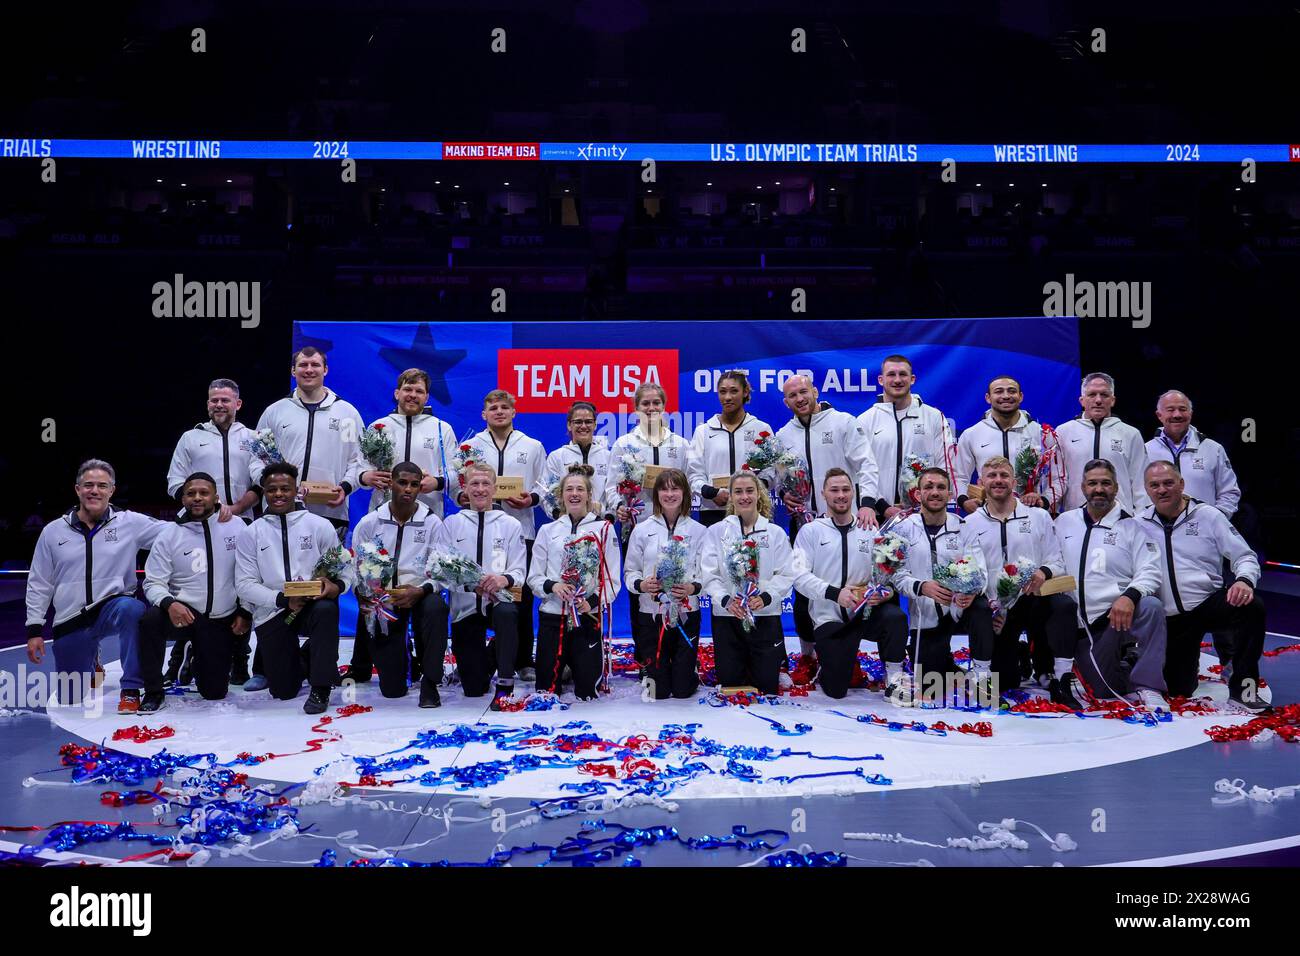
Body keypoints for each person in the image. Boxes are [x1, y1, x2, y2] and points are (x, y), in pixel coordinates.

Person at [25, 459, 169, 714]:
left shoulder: (129, 523)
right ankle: (92, 660)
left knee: (133, 609)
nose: (95, 491)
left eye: (102, 485)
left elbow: (173, 533)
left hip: (112, 607)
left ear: (112, 491)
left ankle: (131, 689)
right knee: (71, 697)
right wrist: (34, 629)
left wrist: (210, 513)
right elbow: (40, 581)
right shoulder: (53, 531)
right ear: (77, 489)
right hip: (71, 618)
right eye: (88, 485)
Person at [775, 374, 879, 684]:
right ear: (786, 402)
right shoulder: (783, 435)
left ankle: (848, 653)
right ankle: (808, 655)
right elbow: (780, 478)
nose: (800, 398)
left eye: (803, 391)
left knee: (854, 586)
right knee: (804, 594)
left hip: (849, 520)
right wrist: (785, 495)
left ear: (815, 391)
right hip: (807, 526)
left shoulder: (843, 422)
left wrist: (868, 503)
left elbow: (866, 464)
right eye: (792, 395)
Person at [1138, 461, 1267, 711]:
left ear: (1182, 484)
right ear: (1147, 489)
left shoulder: (1208, 516)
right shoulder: (1138, 522)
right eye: (1154, 485)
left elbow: (1245, 556)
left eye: (1168, 483)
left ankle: (1244, 690)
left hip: (1208, 603)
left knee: (1252, 607)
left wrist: (1244, 580)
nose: (1162, 490)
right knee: (1178, 689)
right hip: (1171, 618)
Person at [164, 378, 262, 688]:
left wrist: (234, 508)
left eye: (225, 400)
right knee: (195, 584)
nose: (219, 405)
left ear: (238, 404)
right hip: (195, 526)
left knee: (239, 587)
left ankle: (240, 659)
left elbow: (261, 483)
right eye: (214, 400)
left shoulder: (253, 438)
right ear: (207, 404)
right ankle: (180, 653)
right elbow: (174, 481)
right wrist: (204, 504)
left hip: (242, 524)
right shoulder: (191, 438)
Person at [234, 462, 349, 715]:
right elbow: (244, 585)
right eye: (272, 489)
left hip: (312, 606)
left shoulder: (319, 525)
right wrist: (283, 600)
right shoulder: (251, 533)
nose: (278, 494)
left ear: (296, 489)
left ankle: (320, 687)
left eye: (285, 488)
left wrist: (336, 585)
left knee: (327, 609)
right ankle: (311, 657)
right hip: (275, 611)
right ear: (263, 491)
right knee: (283, 691)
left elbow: (345, 570)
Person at [1054, 459, 1168, 711]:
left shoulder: (1134, 526)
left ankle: (1149, 686)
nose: (1099, 489)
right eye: (1092, 483)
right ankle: (1129, 660)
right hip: (1082, 627)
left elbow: (1150, 569)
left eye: (1106, 483)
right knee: (1103, 689)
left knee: (1150, 605)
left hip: (1117, 617)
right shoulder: (1064, 522)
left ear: (1116, 488)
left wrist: (1129, 597)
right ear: (1082, 487)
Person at [966, 457, 1080, 705]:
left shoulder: (1038, 516)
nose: (998, 480)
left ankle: (1061, 680)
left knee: (1065, 606)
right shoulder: (970, 523)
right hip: (997, 610)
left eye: (1004, 475)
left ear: (1014, 481)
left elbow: (1057, 561)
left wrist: (1044, 573)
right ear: (981, 482)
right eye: (992, 475)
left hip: (1033, 600)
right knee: (1006, 680)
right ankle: (1019, 653)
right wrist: (991, 607)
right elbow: (969, 572)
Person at [793, 468, 909, 700]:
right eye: (834, 490)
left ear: (853, 494)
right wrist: (835, 594)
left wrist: (884, 593)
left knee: (895, 617)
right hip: (830, 618)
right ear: (823, 494)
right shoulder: (810, 531)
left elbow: (887, 576)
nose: (841, 495)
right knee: (836, 690)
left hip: (865, 614)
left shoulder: (870, 529)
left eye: (846, 489)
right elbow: (798, 576)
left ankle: (894, 680)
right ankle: (830, 661)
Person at [141, 473, 251, 709]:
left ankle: (193, 656)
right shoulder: (169, 535)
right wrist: (169, 603)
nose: (197, 498)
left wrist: (245, 610)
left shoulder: (236, 526)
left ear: (216, 497)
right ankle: (152, 691)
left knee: (214, 693)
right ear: (182, 499)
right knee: (150, 620)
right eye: (191, 494)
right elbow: (152, 582)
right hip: (184, 614)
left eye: (204, 493)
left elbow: (249, 574)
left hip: (221, 617)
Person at [890, 468, 997, 704]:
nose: (935, 492)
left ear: (949, 494)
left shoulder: (964, 526)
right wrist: (921, 587)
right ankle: (948, 665)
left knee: (980, 607)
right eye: (928, 487)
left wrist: (971, 591)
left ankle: (981, 674)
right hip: (926, 616)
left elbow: (980, 570)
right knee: (931, 689)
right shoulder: (904, 529)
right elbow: (896, 575)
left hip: (960, 608)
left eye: (940, 487)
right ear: (917, 494)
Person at [462, 389, 546, 682]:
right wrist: (464, 496)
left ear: (514, 412)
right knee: (475, 589)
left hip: (520, 528)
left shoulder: (532, 445)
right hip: (477, 530)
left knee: (518, 597)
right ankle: (472, 655)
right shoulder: (470, 446)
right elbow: (457, 485)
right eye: (493, 407)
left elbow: (545, 484)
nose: (499, 411)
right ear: (484, 414)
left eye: (504, 407)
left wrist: (531, 499)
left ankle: (522, 659)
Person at [350, 462, 448, 705]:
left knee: (436, 607)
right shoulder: (370, 523)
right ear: (391, 483)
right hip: (385, 602)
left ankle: (430, 682)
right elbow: (354, 568)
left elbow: (442, 573)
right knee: (393, 690)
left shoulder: (432, 523)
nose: (408, 489)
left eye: (414, 484)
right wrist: (363, 592)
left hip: (419, 594)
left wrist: (422, 589)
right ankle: (406, 663)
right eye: (402, 482)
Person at [606, 382, 696, 644]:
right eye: (645, 403)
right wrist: (619, 507)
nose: (651, 408)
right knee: (642, 590)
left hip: (675, 526)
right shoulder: (624, 444)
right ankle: (645, 653)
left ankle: (677, 645)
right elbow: (611, 486)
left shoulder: (679, 444)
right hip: (637, 527)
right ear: (635, 409)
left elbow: (689, 484)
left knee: (678, 585)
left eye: (656, 403)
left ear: (664, 407)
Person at [700, 470, 797, 696]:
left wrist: (764, 598)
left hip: (764, 615)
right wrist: (725, 600)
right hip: (728, 616)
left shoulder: (775, 533)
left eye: (750, 491)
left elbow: (786, 573)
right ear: (731, 497)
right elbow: (708, 573)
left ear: (759, 495)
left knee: (766, 686)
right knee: (732, 686)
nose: (744, 497)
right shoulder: (716, 532)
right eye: (738, 492)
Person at [530, 465, 621, 701]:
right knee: (546, 691)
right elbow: (534, 578)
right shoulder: (547, 530)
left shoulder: (603, 529)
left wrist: (590, 602)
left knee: (587, 693)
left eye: (580, 489)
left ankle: (575, 667)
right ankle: (562, 666)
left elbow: (611, 580)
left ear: (590, 495)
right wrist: (553, 586)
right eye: (569, 489)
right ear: (561, 496)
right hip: (553, 618)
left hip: (587, 618)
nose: (574, 494)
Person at [442, 462, 527, 710]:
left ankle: (505, 683)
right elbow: (441, 572)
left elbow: (519, 570)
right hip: (465, 607)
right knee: (474, 689)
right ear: (465, 489)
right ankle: (486, 659)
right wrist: (471, 585)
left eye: (486, 483)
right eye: (474, 484)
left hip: (498, 602)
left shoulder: (510, 524)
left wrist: (504, 580)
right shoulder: (452, 524)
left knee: (508, 613)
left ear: (495, 488)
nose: (480, 489)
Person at [255, 346, 366, 531]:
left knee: (328, 562)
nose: (308, 370)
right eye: (302, 365)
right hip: (280, 507)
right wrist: (271, 485)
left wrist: (346, 487)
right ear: (293, 371)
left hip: (331, 510)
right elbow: (256, 457)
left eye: (315, 364)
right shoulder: (274, 412)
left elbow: (359, 460)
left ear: (325, 369)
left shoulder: (347, 413)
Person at [624, 467, 706, 699]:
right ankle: (654, 671)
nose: (670, 494)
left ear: (685, 493)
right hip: (651, 614)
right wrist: (642, 585)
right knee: (657, 692)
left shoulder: (699, 531)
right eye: (664, 489)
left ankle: (690, 669)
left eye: (675, 488)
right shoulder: (642, 530)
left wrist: (692, 588)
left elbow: (707, 573)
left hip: (686, 613)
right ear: (657, 494)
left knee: (682, 691)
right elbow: (630, 572)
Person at [856, 355, 956, 520]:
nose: (897, 380)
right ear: (881, 380)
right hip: (879, 515)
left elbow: (945, 466)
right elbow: (860, 471)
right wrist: (883, 506)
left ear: (912, 379)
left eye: (902, 374)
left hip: (925, 513)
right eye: (891, 374)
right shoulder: (865, 420)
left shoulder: (934, 417)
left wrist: (929, 500)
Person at [955, 375, 1065, 515]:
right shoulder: (972, 434)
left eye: (1012, 391)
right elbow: (959, 476)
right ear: (988, 398)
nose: (1006, 396)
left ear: (1021, 396)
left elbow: (1059, 477)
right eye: (999, 391)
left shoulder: (1041, 434)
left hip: (1031, 513)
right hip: (988, 514)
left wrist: (1044, 500)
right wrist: (964, 500)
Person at [357, 368, 458, 518]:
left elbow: (455, 471)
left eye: (419, 391)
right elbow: (360, 466)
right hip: (383, 512)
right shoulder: (378, 427)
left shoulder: (441, 429)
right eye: (407, 389)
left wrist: (437, 482)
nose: (412, 395)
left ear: (427, 397)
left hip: (428, 516)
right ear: (397, 394)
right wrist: (365, 477)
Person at [688, 371, 773, 528]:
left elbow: (770, 472)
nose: (727, 397)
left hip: (753, 509)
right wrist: (712, 493)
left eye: (734, 391)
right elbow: (693, 475)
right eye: (722, 392)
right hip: (713, 511)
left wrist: (749, 492)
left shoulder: (761, 429)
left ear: (745, 392)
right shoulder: (703, 431)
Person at [1056, 373, 1150, 513]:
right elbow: (1056, 479)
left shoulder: (1131, 434)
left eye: (1104, 395)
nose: (1098, 400)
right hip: (1075, 519)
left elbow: (1140, 483)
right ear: (1082, 400)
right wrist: (1055, 514)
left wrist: (1140, 519)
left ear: (1112, 400)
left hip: (1121, 519)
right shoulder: (1063, 432)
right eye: (1092, 395)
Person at [1145, 390, 1241, 519]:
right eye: (1170, 409)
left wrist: (1217, 519)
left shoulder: (1213, 449)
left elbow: (1229, 491)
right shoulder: (1146, 450)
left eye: (1182, 409)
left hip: (1203, 530)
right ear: (1159, 415)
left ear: (1190, 413)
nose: (1177, 414)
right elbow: (1137, 492)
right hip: (1156, 531)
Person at [538, 401, 611, 517]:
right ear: (569, 425)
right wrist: (560, 516)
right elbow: (546, 492)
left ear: (595, 425)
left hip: (600, 525)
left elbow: (613, 491)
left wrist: (607, 516)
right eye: (578, 422)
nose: (583, 426)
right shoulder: (557, 457)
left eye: (588, 422)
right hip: (565, 525)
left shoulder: (607, 457)